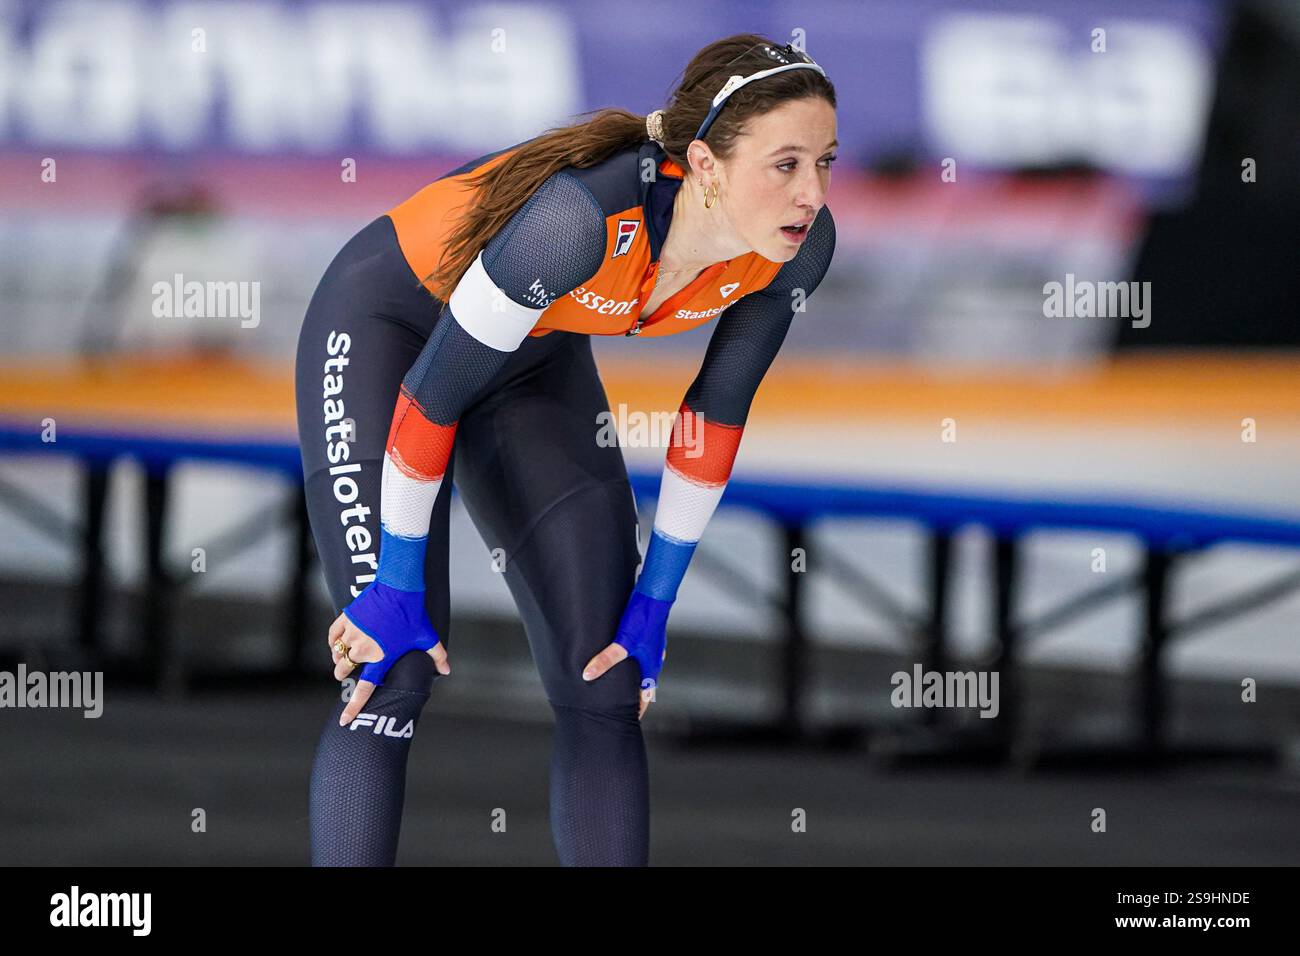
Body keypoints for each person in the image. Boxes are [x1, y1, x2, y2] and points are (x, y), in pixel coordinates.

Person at [294, 32, 837, 866]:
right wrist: (397, 582)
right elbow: (430, 397)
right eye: (787, 163)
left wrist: (654, 604)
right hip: (391, 332)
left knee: (606, 674)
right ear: (707, 165)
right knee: (390, 662)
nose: (812, 193)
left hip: (530, 359)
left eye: (826, 163)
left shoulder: (796, 251)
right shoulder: (578, 220)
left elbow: (712, 422)